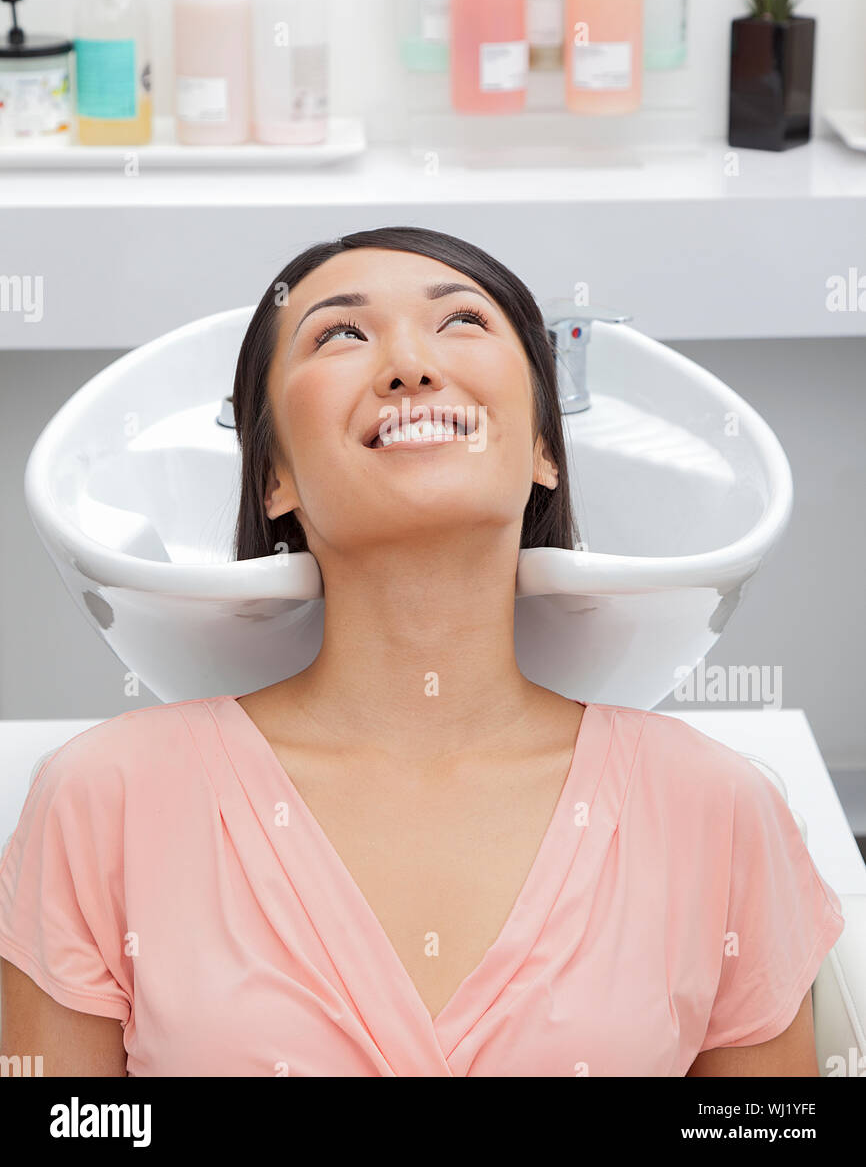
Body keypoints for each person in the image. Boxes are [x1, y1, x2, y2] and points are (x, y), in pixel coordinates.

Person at [0, 226, 845, 1076]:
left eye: (463, 322)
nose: (409, 366)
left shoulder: (720, 811)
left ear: (545, 450)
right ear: (273, 481)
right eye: (340, 333)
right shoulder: (101, 803)